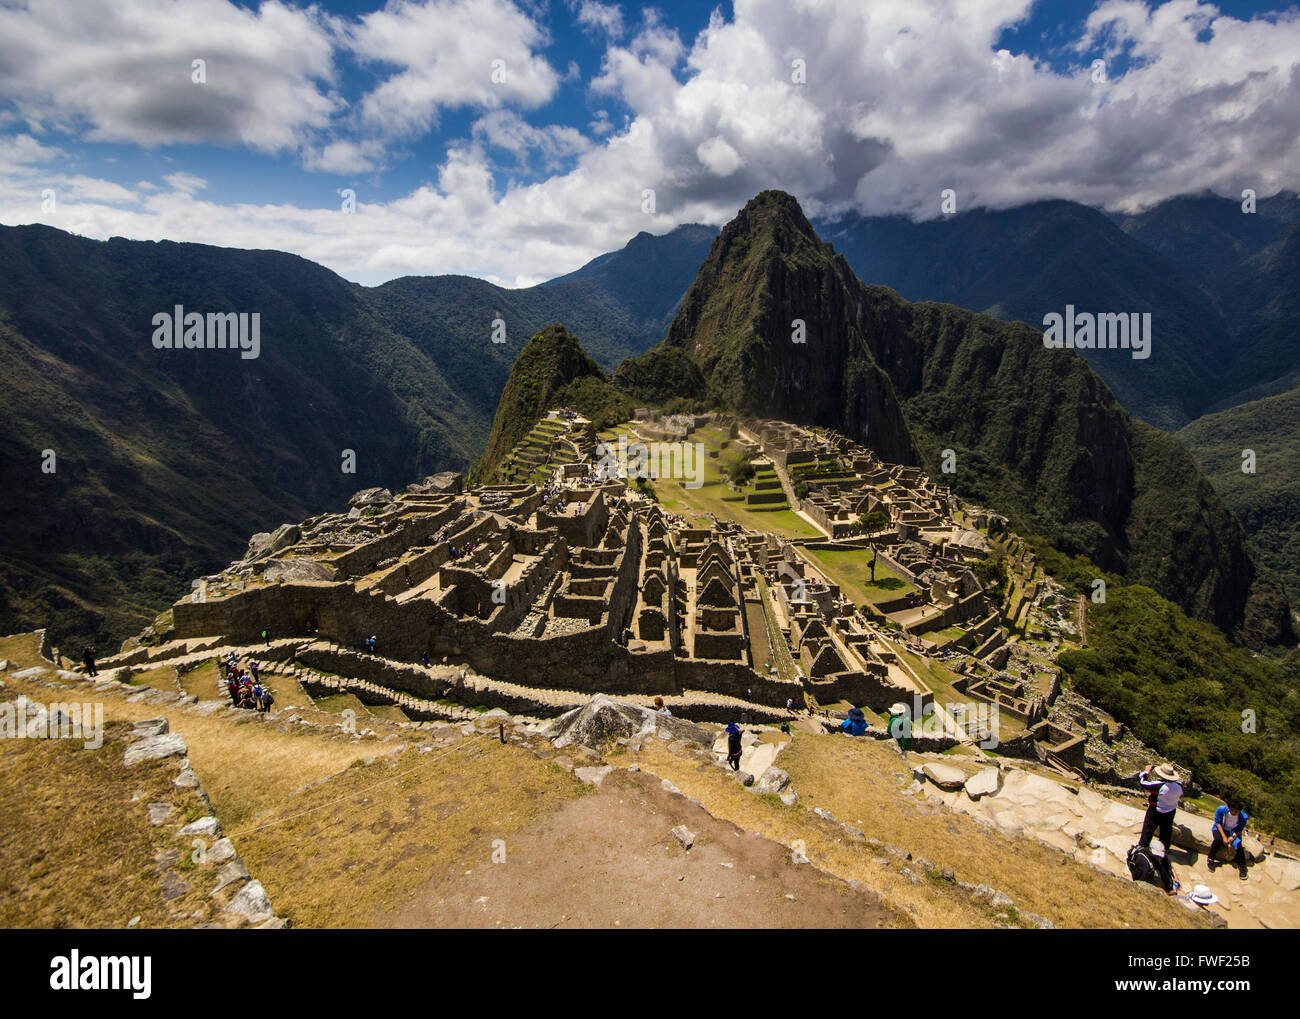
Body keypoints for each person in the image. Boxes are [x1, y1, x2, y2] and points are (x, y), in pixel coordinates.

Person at [1138, 763, 1184, 849]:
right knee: (1166, 831)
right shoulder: (1179, 786)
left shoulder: (1159, 786)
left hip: (1156, 810)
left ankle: (1143, 846)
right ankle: (1164, 849)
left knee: (1149, 828)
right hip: (1170, 811)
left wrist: (1147, 771)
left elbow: (1143, 783)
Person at [1208, 800, 1250, 871]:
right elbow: (1218, 823)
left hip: (1233, 832)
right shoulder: (1221, 810)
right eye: (1232, 810)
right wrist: (1224, 837)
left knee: (1238, 845)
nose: (1234, 813)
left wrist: (1233, 837)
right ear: (1229, 808)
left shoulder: (1243, 817)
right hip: (1220, 829)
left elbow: (1240, 829)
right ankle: (1211, 858)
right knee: (1218, 840)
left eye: (1236, 812)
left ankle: (1242, 866)